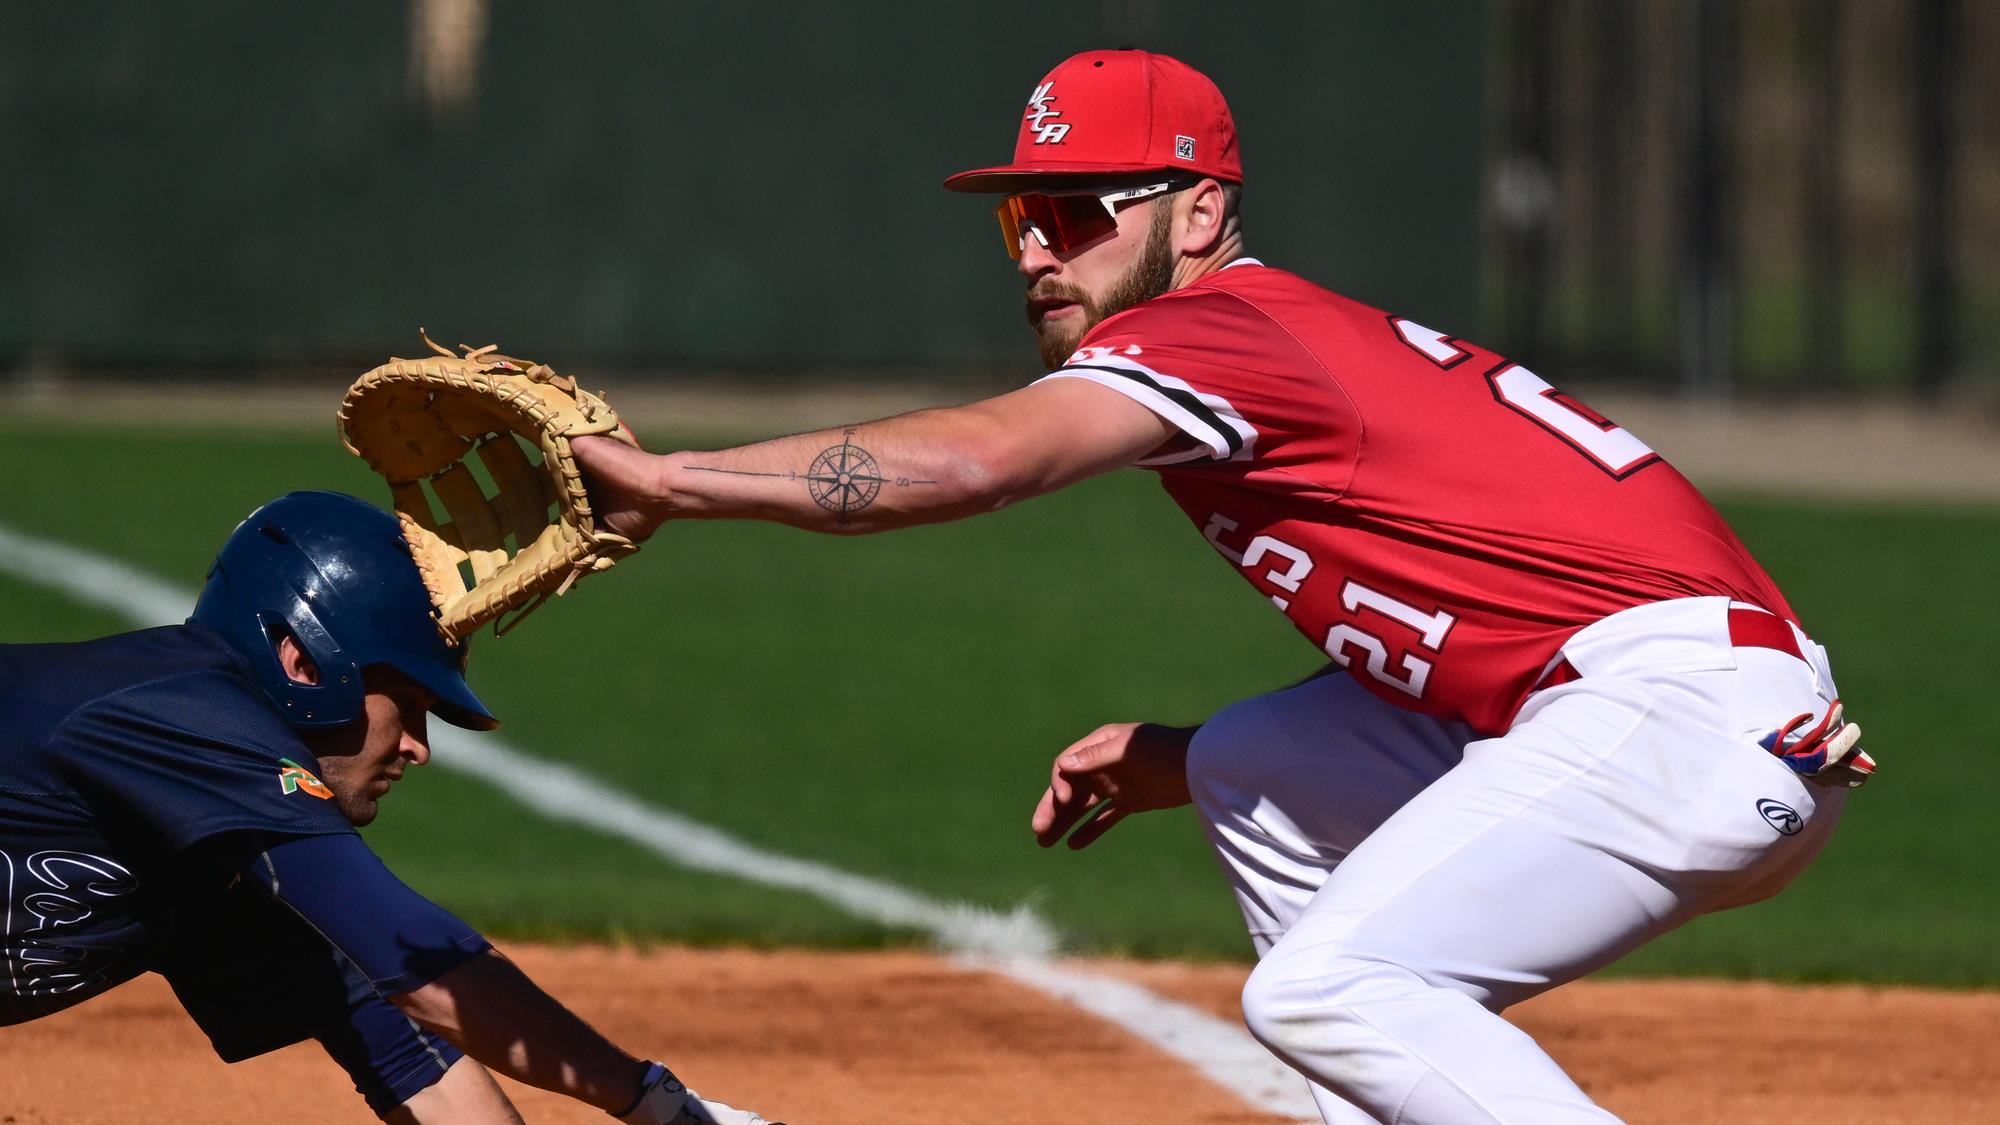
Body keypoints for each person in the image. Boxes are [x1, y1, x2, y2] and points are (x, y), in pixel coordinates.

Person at [572, 48, 1873, 1123]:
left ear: (1198, 212)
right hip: (1636, 704)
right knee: (1249, 761)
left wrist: (681, 480)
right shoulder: (1272, 338)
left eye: (1081, 214)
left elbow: (978, 462)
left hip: (1682, 714)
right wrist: (1177, 754)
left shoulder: (1215, 335)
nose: (1039, 252)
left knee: (1322, 989)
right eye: (1023, 218)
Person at [0, 491, 781, 1125]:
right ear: (302, 661)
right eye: (405, 701)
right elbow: (426, 973)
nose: (417, 746)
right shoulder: (183, 715)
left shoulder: (228, 853)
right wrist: (655, 1104)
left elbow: (417, 1060)